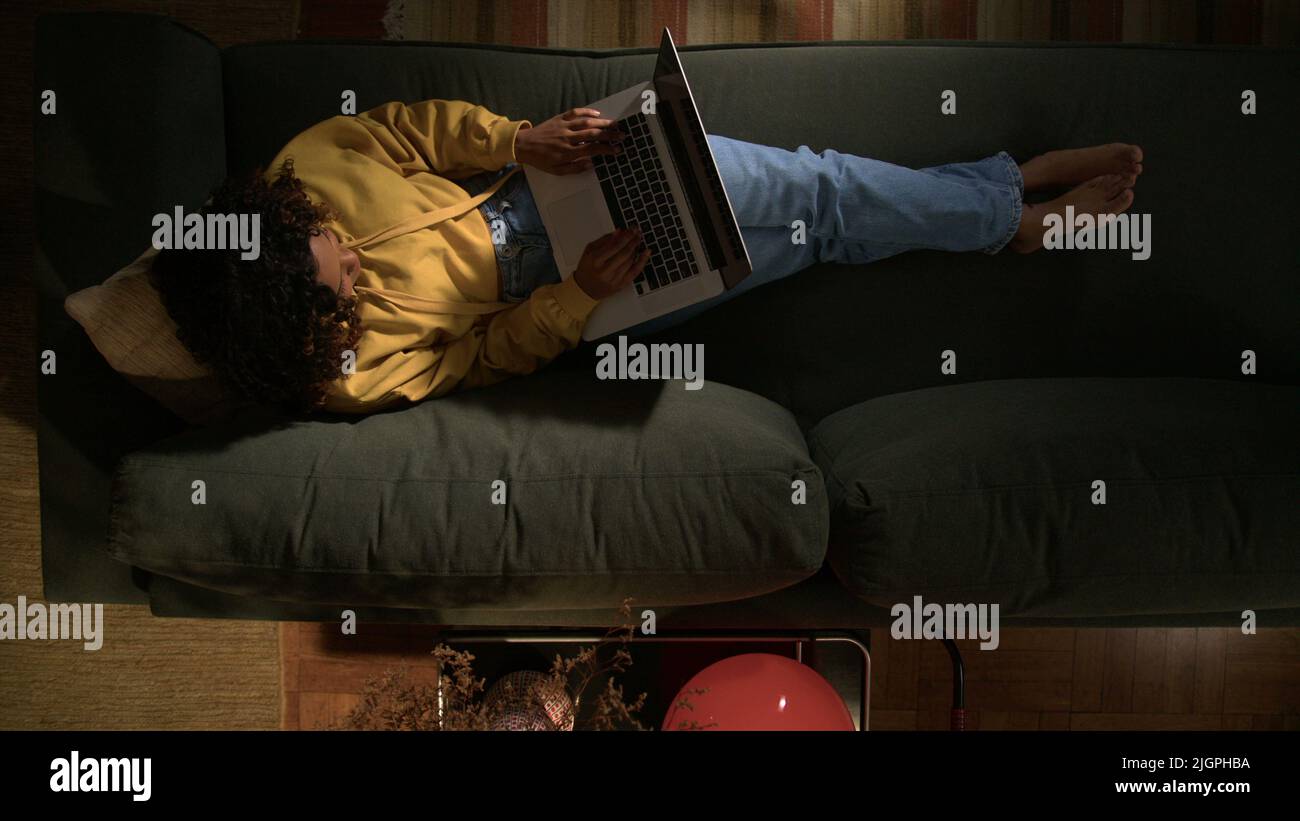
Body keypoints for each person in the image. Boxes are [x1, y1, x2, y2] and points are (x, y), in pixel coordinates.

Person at [151, 99, 1141, 415]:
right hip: (580, 289)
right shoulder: (343, 373)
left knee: (816, 187)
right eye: (344, 295)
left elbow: (412, 134)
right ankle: (1002, 194)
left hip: (549, 182)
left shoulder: (306, 166)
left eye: (338, 252)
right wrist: (574, 299)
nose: (356, 274)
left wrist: (517, 139)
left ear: (283, 215)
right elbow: (480, 358)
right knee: (818, 224)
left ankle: (1008, 211)